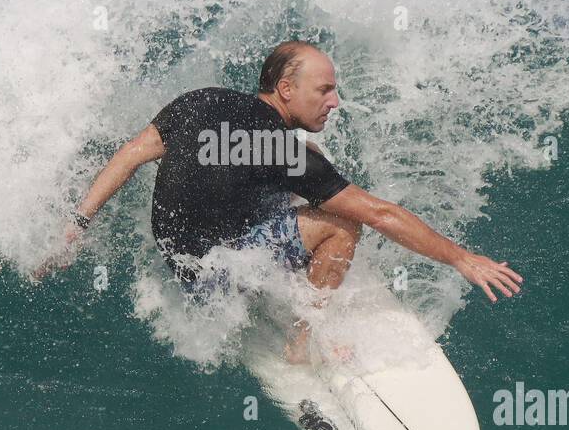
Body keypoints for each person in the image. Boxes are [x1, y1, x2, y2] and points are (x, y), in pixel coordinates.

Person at [35, 41, 522, 356]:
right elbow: (379, 214)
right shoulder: (287, 154)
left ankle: (278, 257)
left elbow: (130, 155)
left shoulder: (200, 101)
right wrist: (461, 258)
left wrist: (76, 224)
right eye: (325, 90)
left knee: (292, 177)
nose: (334, 102)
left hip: (178, 258)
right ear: (285, 89)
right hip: (217, 281)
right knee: (341, 223)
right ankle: (302, 340)